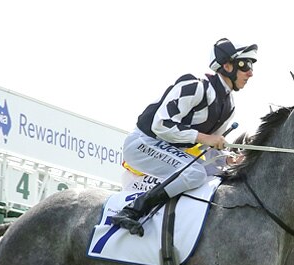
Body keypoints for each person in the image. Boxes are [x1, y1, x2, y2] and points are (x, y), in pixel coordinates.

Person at [110, 37, 258, 236]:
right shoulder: (195, 85)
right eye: (245, 65)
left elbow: (207, 148)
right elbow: (161, 125)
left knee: (215, 178)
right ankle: (132, 211)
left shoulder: (229, 106)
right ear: (227, 65)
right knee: (195, 173)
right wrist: (206, 138)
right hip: (142, 143)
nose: (250, 72)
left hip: (168, 151)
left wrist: (228, 158)